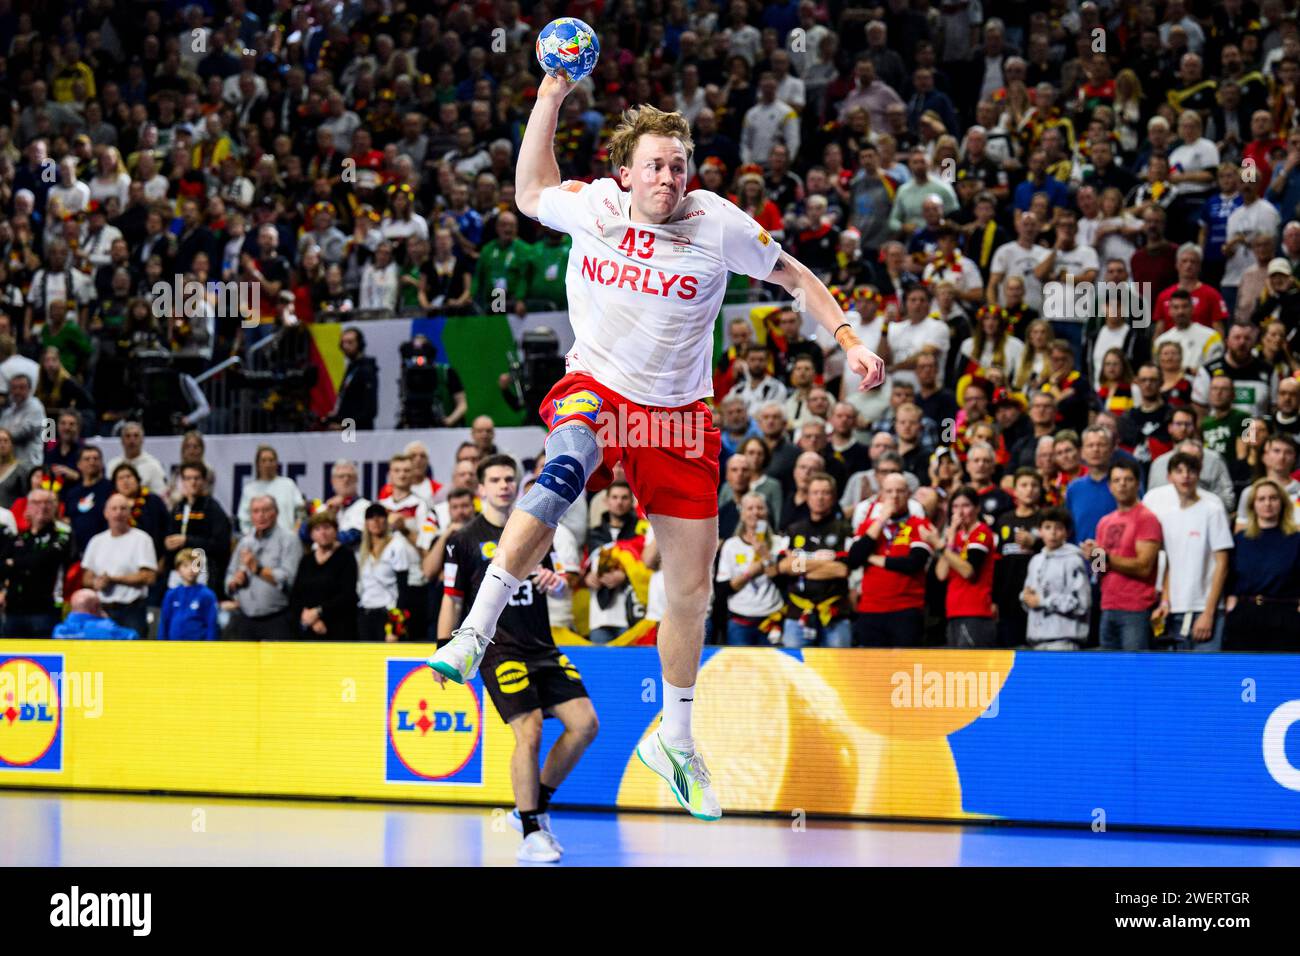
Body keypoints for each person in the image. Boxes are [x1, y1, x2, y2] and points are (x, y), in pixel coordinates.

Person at [428, 87, 885, 822]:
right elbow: (530, 188)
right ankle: (471, 631)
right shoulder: (595, 208)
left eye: (679, 166)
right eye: (655, 167)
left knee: (690, 589)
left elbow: (796, 276)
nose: (670, 179)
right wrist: (551, 92)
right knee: (566, 466)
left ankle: (673, 740)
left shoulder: (719, 225)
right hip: (597, 390)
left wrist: (850, 339)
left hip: (678, 420)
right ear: (626, 173)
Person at [436, 454, 597, 862]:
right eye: (496, 479)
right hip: (498, 648)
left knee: (585, 725)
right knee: (530, 731)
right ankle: (530, 830)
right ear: (481, 488)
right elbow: (451, 599)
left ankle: (533, 803)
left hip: (541, 645)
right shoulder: (464, 539)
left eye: (510, 478)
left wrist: (556, 583)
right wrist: (443, 649)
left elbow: (561, 589)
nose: (505, 485)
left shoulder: (536, 526)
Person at [1144, 452, 1234, 651]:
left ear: (1198, 475)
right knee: (1177, 679)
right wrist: (1165, 602)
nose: (1185, 476)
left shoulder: (1212, 509)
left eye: (1191, 471)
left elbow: (1222, 563)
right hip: (1174, 610)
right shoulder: (1167, 515)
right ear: (1169, 477)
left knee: (1206, 677)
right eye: (1179, 471)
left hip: (1204, 607)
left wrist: (1209, 613)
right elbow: (1169, 562)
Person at [844, 472, 933, 647]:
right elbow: (853, 560)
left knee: (903, 670)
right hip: (870, 609)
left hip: (906, 608)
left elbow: (914, 563)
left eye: (900, 491)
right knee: (872, 671)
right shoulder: (869, 526)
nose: (894, 496)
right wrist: (881, 520)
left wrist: (874, 559)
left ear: (908, 493)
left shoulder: (919, 524)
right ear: (881, 495)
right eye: (889, 491)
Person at [1084, 460, 1163, 651]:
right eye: (1117, 480)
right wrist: (1093, 556)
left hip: (1136, 608)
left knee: (1134, 672)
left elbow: (1144, 567)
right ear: (1110, 486)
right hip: (1108, 605)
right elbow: (1100, 570)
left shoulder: (1147, 519)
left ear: (1138, 484)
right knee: (1109, 673)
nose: (1122, 484)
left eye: (1128, 479)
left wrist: (1106, 556)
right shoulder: (1104, 522)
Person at [1224, 478, 1300, 651]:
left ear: (1282, 503)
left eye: (1273, 498)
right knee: (1244, 673)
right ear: (1253, 505)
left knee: (1281, 674)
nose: (1268, 503)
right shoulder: (1240, 540)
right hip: (1245, 615)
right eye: (1261, 499)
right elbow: (1230, 577)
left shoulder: (1295, 540)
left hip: (1285, 615)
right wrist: (1231, 601)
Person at [923, 486, 997, 648]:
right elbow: (941, 574)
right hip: (954, 611)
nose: (960, 512)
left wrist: (939, 545)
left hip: (975, 612)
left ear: (977, 508)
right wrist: (949, 540)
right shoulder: (955, 537)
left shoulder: (982, 533)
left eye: (965, 506)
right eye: (955, 507)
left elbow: (968, 571)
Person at [80, 493, 158, 639]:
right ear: (106, 513)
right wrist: (96, 582)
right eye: (114, 508)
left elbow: (149, 577)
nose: (118, 513)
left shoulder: (142, 539)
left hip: (132, 609)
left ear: (130, 513)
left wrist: (114, 579)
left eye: (123, 508)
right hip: (102, 609)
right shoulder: (96, 541)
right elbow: (86, 578)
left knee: (133, 656)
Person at [0, 487, 75, 637]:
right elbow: (2, 567)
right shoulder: (21, 537)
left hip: (45, 609)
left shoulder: (63, 534)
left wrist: (14, 563)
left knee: (44, 658)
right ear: (28, 507)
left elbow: (42, 561)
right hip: (14, 610)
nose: (42, 507)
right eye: (36, 502)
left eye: (47, 502)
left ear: (54, 507)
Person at [225, 495, 301, 641]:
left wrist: (258, 569)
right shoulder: (245, 542)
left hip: (277, 619)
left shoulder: (289, 540)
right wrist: (233, 582)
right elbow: (229, 574)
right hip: (245, 618)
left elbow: (290, 580)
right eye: (256, 511)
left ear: (276, 513)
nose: (261, 515)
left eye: (266, 510)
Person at [716, 492, 785, 645]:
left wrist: (766, 557)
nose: (755, 512)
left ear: (767, 512)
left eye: (760, 508)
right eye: (750, 508)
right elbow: (723, 588)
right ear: (742, 514)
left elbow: (785, 583)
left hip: (771, 619)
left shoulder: (779, 543)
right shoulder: (731, 545)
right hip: (740, 622)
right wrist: (750, 573)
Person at [1020, 509, 1091, 650]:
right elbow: (1029, 597)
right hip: (1036, 640)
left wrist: (1043, 601)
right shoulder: (1035, 560)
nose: (1053, 533)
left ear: (1067, 532)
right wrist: (1025, 597)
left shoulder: (1074, 561)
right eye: (1047, 527)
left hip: (1064, 641)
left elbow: (1083, 604)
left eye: (1058, 528)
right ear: (1039, 531)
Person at [289, 511, 359, 641]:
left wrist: (318, 612)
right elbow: (296, 594)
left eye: (327, 527)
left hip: (338, 628)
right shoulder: (307, 560)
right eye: (317, 529)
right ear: (311, 534)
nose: (323, 532)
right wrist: (309, 617)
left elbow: (347, 595)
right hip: (308, 628)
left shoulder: (346, 556)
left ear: (336, 530)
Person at [164, 462, 233, 593]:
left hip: (203, 570)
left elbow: (220, 545)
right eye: (188, 478)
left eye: (197, 478)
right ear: (182, 481)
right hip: (178, 572)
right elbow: (169, 536)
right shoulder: (178, 508)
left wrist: (187, 540)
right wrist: (167, 544)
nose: (193, 482)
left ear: (204, 481)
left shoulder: (212, 508)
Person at [357, 503, 415, 641]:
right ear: (366, 522)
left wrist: (395, 626)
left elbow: (403, 588)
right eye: (371, 517)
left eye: (380, 516)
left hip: (387, 613)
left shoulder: (397, 545)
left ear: (386, 519)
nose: (376, 520)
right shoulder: (362, 550)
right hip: (365, 612)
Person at [236, 445, 306, 535]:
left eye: (271, 460)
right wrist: (253, 538)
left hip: (287, 540)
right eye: (264, 460)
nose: (268, 464)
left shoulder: (288, 484)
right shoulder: (249, 489)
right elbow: (244, 520)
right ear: (257, 464)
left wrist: (295, 533)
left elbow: (300, 512)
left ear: (277, 463)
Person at [158, 547, 219, 641]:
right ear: (178, 569)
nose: (191, 570)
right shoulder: (171, 595)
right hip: (173, 647)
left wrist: (210, 649)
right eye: (185, 566)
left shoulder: (207, 595)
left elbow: (212, 625)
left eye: (194, 566)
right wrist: (161, 646)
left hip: (198, 648)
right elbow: (164, 623)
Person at [104, 421, 168, 494]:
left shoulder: (153, 465)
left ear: (142, 440)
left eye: (136, 435)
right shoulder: (112, 465)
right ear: (122, 440)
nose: (132, 440)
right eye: (128, 436)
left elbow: (161, 494)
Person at [0, 373, 47, 469]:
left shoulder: (35, 407)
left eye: (21, 388)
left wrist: (5, 434)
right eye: (14, 387)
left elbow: (21, 433)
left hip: (29, 464)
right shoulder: (9, 411)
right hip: (10, 463)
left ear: (30, 389)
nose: (17, 391)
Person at [52, 589, 139, 640]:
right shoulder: (107, 627)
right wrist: (105, 619)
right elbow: (133, 636)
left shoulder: (59, 630)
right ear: (96, 607)